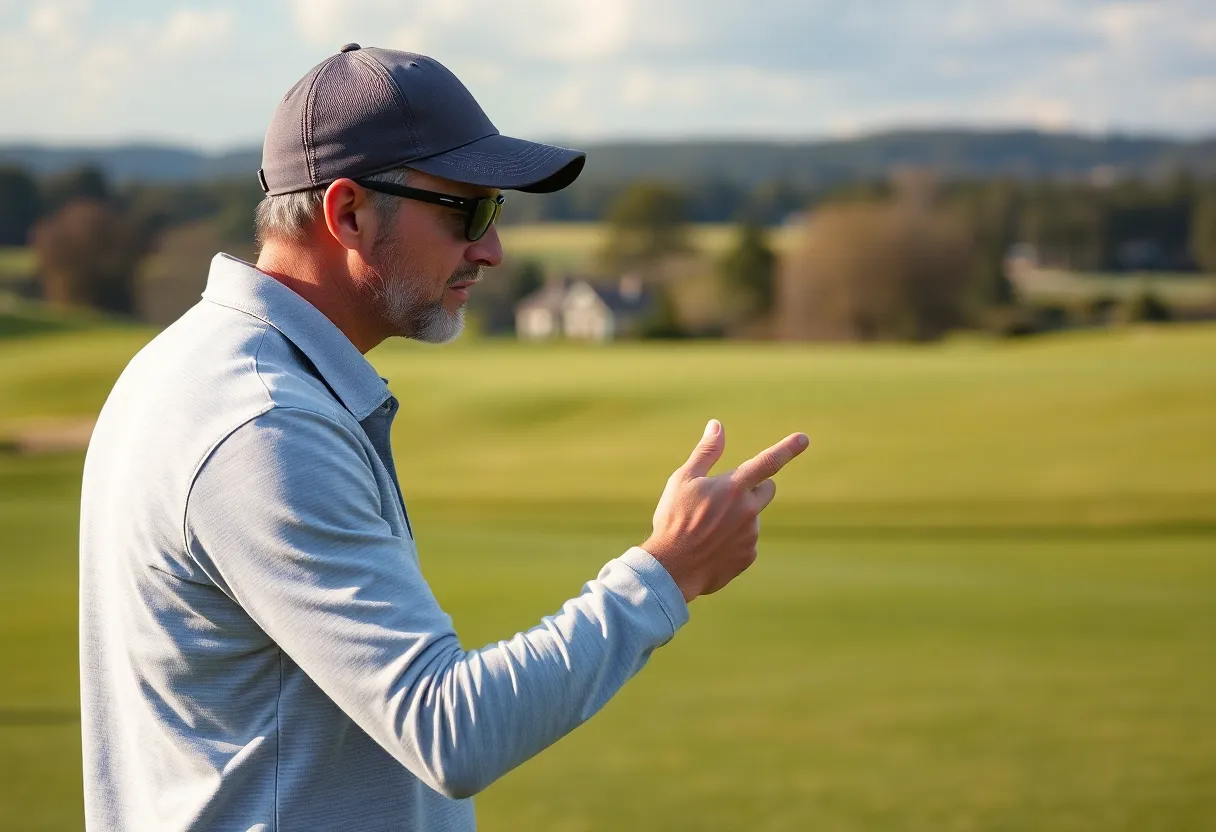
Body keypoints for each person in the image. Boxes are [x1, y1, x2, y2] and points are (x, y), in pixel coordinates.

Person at [78, 45, 808, 831]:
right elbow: (446, 728)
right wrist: (667, 573)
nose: (491, 249)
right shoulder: (265, 424)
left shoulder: (189, 363)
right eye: (467, 212)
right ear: (348, 212)